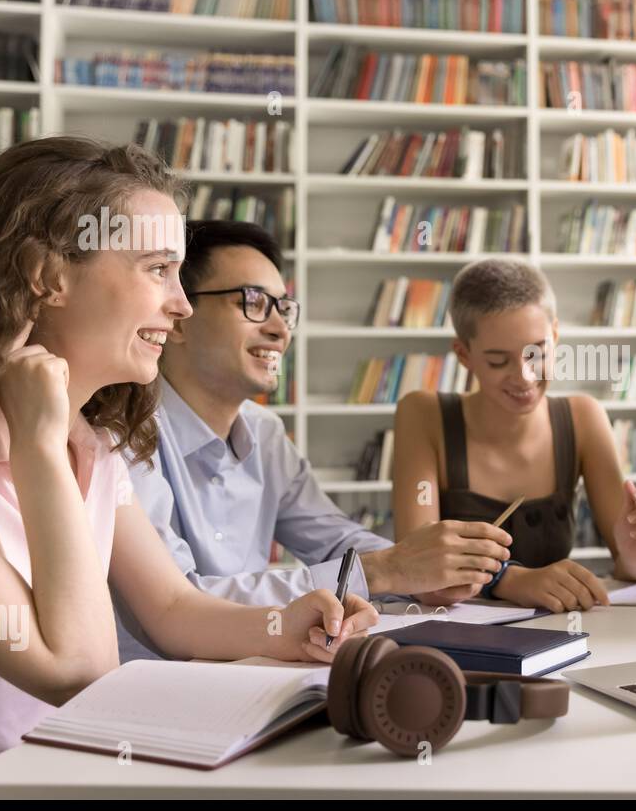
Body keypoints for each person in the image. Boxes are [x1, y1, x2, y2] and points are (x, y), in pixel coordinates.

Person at [0, 137, 375, 798]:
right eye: (158, 269)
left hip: (66, 787)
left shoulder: (94, 446)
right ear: (47, 276)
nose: (183, 304)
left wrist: (286, 623)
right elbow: (77, 669)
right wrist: (39, 446)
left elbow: (172, 607)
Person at [120, 219, 513, 661]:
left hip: (253, 671)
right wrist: (387, 570)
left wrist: (427, 568)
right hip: (158, 690)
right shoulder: (124, 433)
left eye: (283, 308)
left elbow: (331, 539)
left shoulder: (264, 432)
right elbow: (184, 602)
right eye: (253, 302)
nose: (279, 329)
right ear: (178, 316)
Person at [393, 258, 636, 613]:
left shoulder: (583, 418)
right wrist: (513, 580)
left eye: (537, 353)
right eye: (498, 361)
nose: (524, 377)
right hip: (456, 646)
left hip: (560, 638)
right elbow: (417, 571)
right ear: (463, 355)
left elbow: (633, 571)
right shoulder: (424, 415)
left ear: (555, 335)